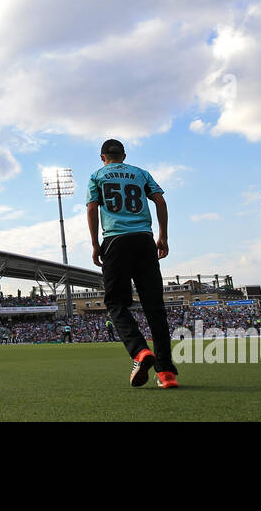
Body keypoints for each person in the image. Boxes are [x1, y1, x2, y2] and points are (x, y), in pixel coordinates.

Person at [86, 138, 179, 389]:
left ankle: (139, 352)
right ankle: (166, 374)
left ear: (103, 157)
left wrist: (95, 244)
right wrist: (163, 236)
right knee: (155, 307)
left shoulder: (97, 176)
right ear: (124, 155)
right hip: (144, 239)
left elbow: (93, 208)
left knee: (115, 302)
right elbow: (160, 200)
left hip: (115, 240)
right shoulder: (140, 173)